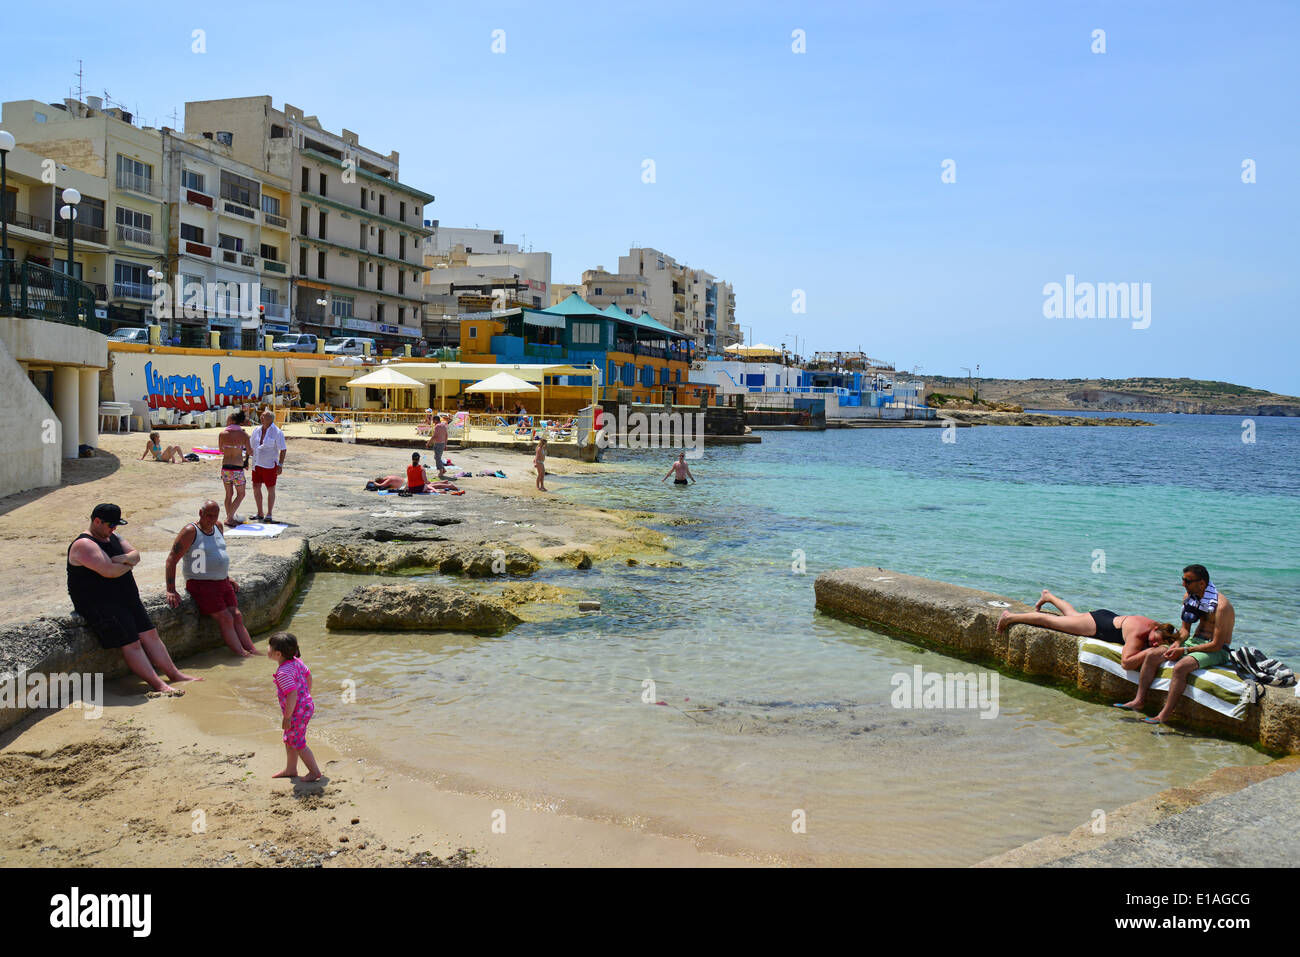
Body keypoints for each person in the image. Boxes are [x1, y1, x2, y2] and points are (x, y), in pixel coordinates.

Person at [66, 504, 202, 695]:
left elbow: (136, 556)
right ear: (97, 521)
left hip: (125, 597)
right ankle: (159, 685)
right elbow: (110, 572)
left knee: (151, 635)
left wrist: (119, 560)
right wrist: (126, 563)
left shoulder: (112, 536)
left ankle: (174, 674)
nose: (114, 529)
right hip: (100, 603)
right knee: (132, 643)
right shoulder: (84, 545)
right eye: (110, 525)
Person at [1118, 565, 1236, 724]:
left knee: (1181, 667)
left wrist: (1186, 649)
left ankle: (1164, 715)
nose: (1183, 584)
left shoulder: (1221, 607)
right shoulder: (1191, 597)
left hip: (1217, 649)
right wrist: (1178, 643)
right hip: (1194, 642)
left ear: (1201, 584)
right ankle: (1139, 700)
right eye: (1183, 580)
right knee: (1153, 654)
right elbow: (1185, 630)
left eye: (1187, 581)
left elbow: (1217, 644)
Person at [997, 589, 1177, 671]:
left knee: (1073, 615)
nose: (1153, 643)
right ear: (1154, 629)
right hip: (1096, 626)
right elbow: (1126, 663)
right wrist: (1152, 651)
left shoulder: (1157, 626)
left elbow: (1178, 637)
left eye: (1157, 643)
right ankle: (1009, 617)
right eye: (1154, 639)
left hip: (1105, 617)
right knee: (1049, 621)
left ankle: (1048, 596)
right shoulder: (1139, 635)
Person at [164, 500, 257, 657]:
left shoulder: (218, 526)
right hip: (200, 582)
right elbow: (171, 559)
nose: (212, 520)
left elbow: (217, 553)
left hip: (221, 581)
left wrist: (227, 577)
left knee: (237, 615)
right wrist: (171, 589)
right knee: (226, 618)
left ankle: (253, 651)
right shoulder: (190, 531)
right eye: (209, 516)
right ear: (201, 514)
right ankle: (242, 655)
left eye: (215, 516)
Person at [267, 632, 321, 782]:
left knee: (298, 743)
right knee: (289, 739)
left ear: (277, 654)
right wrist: (307, 695)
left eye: (269, 646)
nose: (267, 648)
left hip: (296, 712)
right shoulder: (297, 661)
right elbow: (308, 675)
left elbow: (291, 694)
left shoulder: (283, 673)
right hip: (305, 706)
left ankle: (314, 771)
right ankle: (291, 769)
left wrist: (287, 717)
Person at [248, 409, 287, 524]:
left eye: (263, 416)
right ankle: (260, 512)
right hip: (257, 463)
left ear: (270, 419)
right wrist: (246, 460)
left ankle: (269, 513)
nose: (261, 418)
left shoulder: (277, 432)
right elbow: (250, 446)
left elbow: (283, 449)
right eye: (261, 416)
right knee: (256, 487)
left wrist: (280, 465)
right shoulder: (256, 430)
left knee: (270, 488)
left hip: (270, 464)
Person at [218, 409, 252, 528]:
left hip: (226, 466)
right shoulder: (244, 435)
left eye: (227, 419)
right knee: (241, 494)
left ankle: (230, 517)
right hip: (237, 468)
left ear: (232, 420)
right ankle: (229, 518)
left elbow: (221, 450)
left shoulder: (222, 434)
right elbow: (250, 451)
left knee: (229, 494)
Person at [425, 412, 449, 478]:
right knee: (437, 457)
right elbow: (446, 435)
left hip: (438, 443)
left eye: (433, 420)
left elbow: (434, 436)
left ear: (436, 420)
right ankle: (443, 469)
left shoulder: (437, 426)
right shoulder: (444, 426)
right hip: (442, 443)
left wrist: (428, 443)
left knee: (437, 458)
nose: (433, 422)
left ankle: (441, 471)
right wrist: (445, 444)